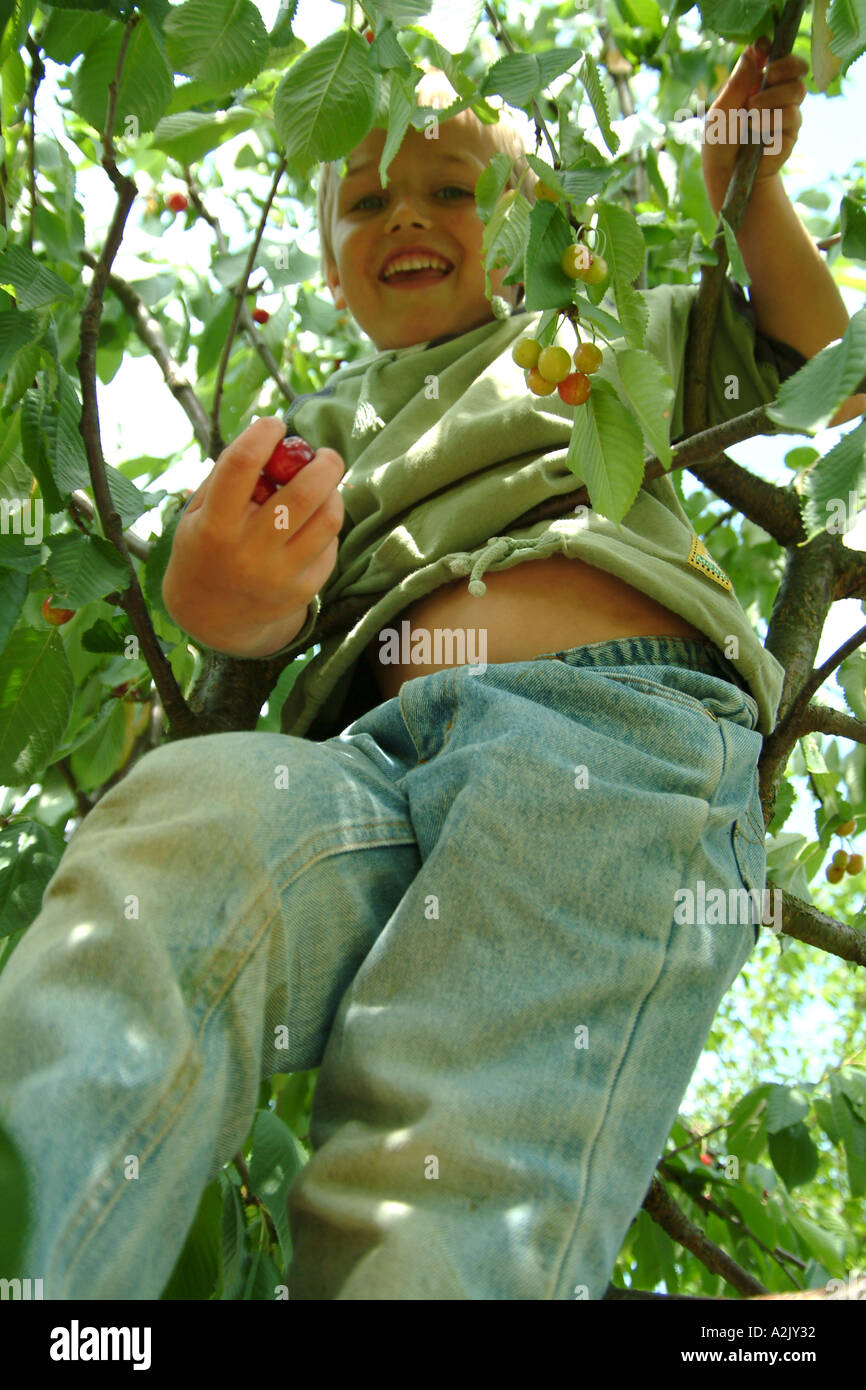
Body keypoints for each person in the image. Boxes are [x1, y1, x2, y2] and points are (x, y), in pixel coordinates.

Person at [0, 43, 862, 1301]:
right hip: (367, 772)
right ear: (337, 275)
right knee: (176, 829)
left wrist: (741, 193)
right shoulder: (317, 431)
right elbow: (252, 608)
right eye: (363, 199)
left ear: (529, 233)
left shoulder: (595, 333)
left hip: (601, 739)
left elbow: (809, 362)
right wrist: (213, 602)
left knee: (442, 1158)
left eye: (453, 190)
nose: (404, 209)